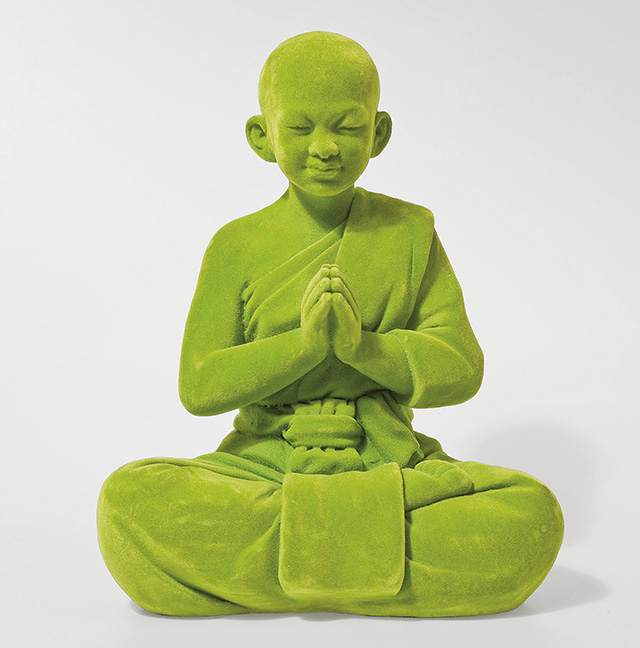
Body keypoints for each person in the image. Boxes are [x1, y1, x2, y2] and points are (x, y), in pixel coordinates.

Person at [97, 31, 563, 617]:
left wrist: (363, 349)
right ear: (262, 137)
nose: (324, 148)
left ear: (379, 133)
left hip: (389, 464)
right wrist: (306, 345)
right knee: (128, 499)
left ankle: (277, 575)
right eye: (300, 128)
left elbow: (462, 367)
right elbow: (199, 385)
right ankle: (380, 571)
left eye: (346, 127)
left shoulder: (410, 232)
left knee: (531, 512)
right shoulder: (236, 245)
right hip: (266, 465)